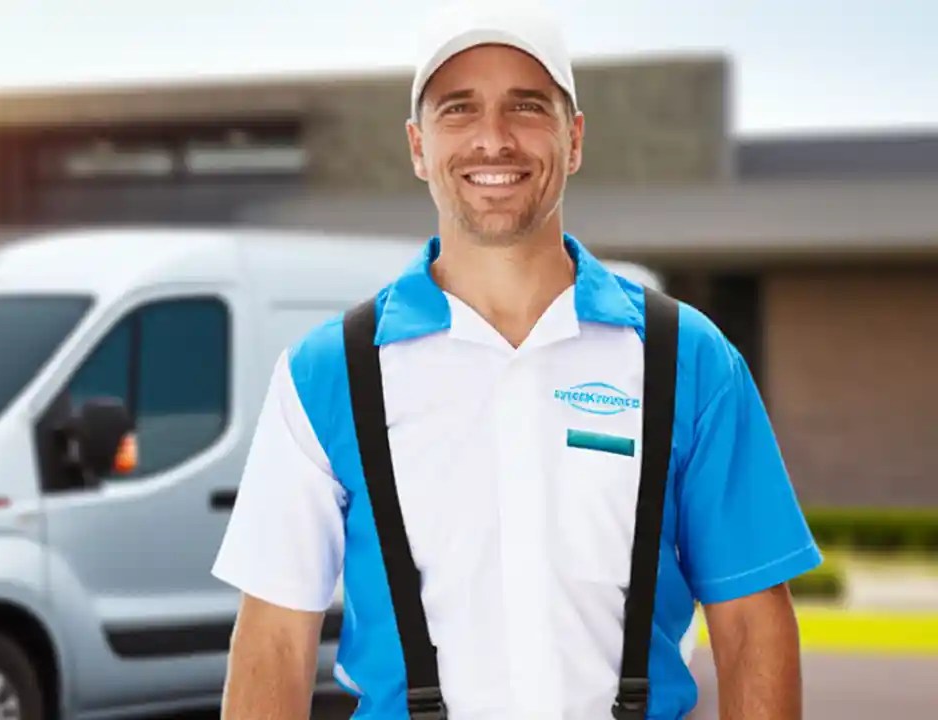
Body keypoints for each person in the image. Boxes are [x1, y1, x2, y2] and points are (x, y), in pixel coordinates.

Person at [210, 1, 821, 718]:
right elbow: (275, 643)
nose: (493, 140)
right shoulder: (326, 376)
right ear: (417, 145)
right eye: (459, 110)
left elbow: (752, 627)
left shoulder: (689, 362)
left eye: (527, 107)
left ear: (575, 138)